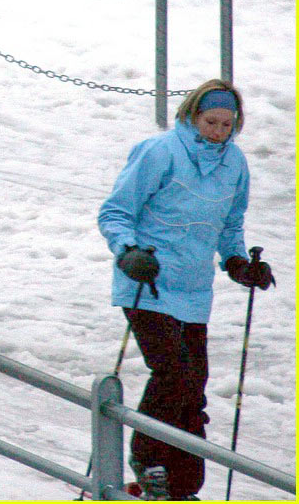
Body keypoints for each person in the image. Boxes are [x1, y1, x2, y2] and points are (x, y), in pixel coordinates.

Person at [97, 80, 276, 500]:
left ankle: (183, 484)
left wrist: (237, 263)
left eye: (227, 125)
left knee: (193, 386)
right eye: (211, 122)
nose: (218, 132)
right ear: (192, 115)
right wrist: (128, 251)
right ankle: (149, 463)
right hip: (148, 279)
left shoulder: (235, 164)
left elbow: (229, 224)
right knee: (172, 373)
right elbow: (116, 211)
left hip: (194, 291)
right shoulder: (159, 151)